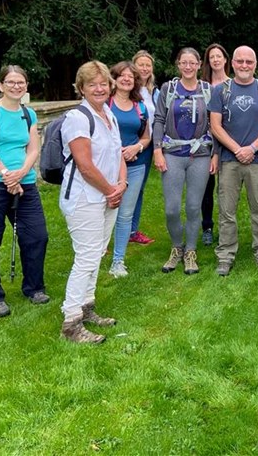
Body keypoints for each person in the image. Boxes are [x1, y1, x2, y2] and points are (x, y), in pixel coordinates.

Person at [0, 65, 48, 317]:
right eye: (11, 82)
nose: (16, 86)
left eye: (21, 82)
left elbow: (33, 149)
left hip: (24, 182)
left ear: (26, 86)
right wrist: (6, 175)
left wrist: (20, 174)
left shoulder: (29, 114)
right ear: (1, 85)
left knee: (37, 235)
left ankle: (34, 287)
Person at [60, 61, 126, 344]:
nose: (99, 89)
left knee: (97, 253)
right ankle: (71, 321)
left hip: (108, 195)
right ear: (81, 88)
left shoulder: (107, 113)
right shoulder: (78, 118)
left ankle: (87, 307)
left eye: (103, 83)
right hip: (84, 198)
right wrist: (111, 190)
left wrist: (120, 185)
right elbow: (84, 165)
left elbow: (118, 154)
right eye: (91, 84)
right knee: (86, 256)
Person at [209, 45, 258, 276]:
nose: (244, 66)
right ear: (233, 63)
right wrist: (237, 149)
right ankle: (226, 255)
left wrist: (252, 148)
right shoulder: (221, 91)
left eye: (249, 62)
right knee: (227, 210)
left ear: (255, 64)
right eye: (240, 61)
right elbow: (215, 126)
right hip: (230, 160)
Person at [153, 47, 215, 275]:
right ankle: (176, 247)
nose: (188, 67)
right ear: (178, 65)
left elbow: (215, 124)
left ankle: (190, 250)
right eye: (184, 63)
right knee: (171, 209)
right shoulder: (168, 89)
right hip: (172, 153)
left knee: (192, 206)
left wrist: (215, 154)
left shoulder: (207, 90)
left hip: (200, 154)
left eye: (192, 63)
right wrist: (157, 150)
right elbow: (159, 119)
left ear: (199, 65)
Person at [107, 61, 151, 278]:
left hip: (134, 166)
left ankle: (118, 261)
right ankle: (93, 255)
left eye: (130, 77)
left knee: (125, 215)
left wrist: (137, 147)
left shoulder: (139, 107)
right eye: (121, 75)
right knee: (103, 212)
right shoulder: (103, 104)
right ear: (113, 78)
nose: (126, 79)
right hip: (105, 167)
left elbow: (147, 136)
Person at [199, 43, 230, 247]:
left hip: (229, 141)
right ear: (208, 61)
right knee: (206, 187)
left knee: (227, 188)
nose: (216, 60)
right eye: (212, 57)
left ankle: (228, 228)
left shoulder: (233, 84)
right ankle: (207, 227)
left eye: (219, 56)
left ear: (226, 60)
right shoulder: (202, 85)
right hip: (206, 142)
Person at [128, 50, 158, 245]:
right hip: (128, 143)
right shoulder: (125, 89)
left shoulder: (153, 91)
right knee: (118, 188)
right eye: (141, 64)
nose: (145, 68)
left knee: (138, 189)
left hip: (146, 145)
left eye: (148, 65)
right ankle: (102, 237)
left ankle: (132, 231)